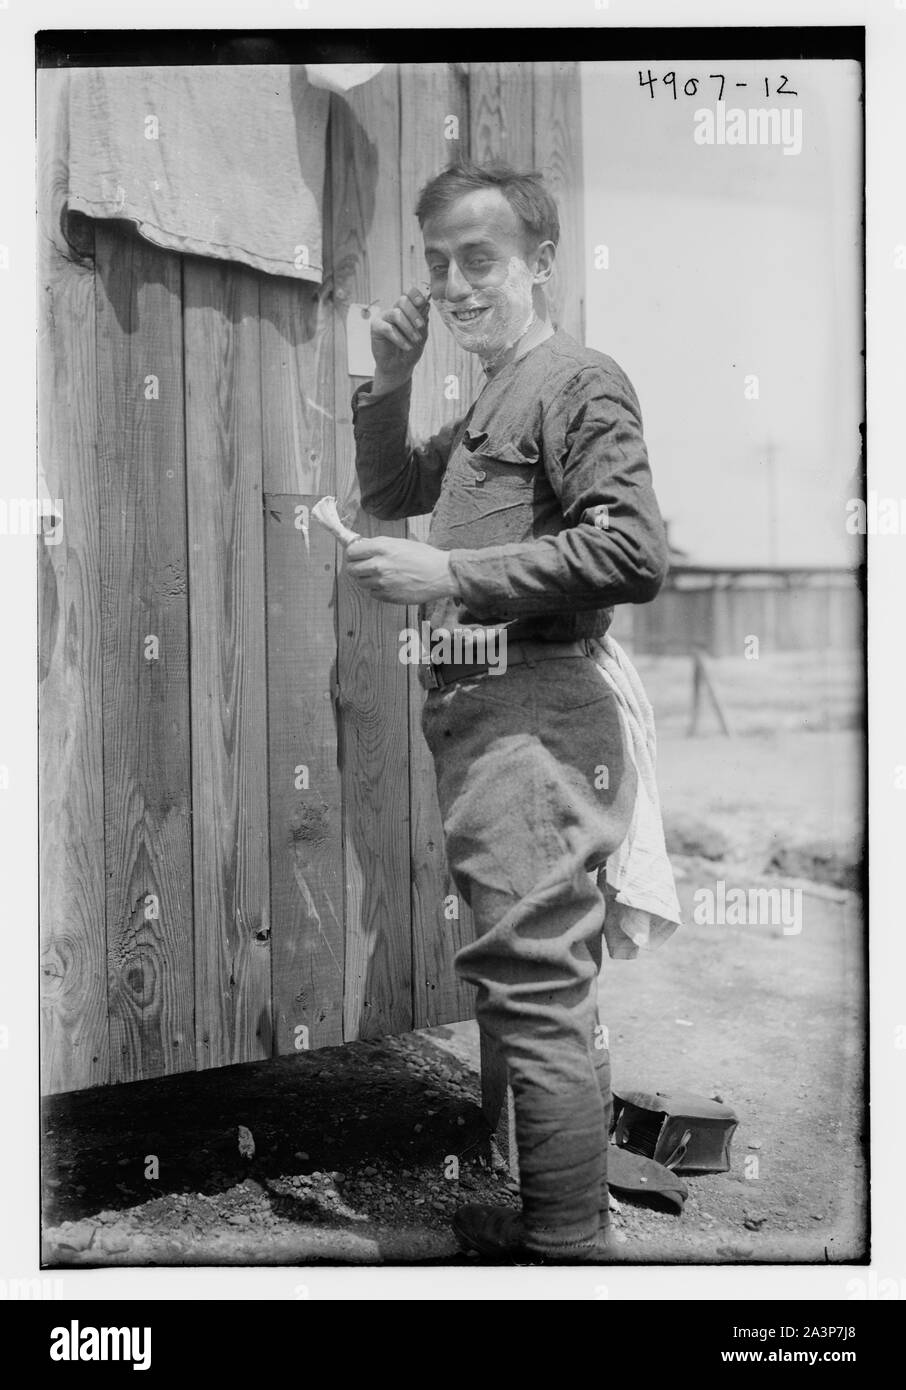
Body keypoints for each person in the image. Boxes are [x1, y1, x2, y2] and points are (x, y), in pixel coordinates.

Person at [345, 159, 669, 1262]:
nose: (454, 286)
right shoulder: (490, 395)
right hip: (488, 712)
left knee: (535, 994)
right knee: (528, 979)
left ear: (540, 261)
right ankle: (555, 1220)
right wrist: (388, 382)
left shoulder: (578, 379)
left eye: (478, 260)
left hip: (536, 715)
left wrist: (451, 581)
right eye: (438, 266)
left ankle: (566, 1250)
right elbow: (390, 492)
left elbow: (632, 550)